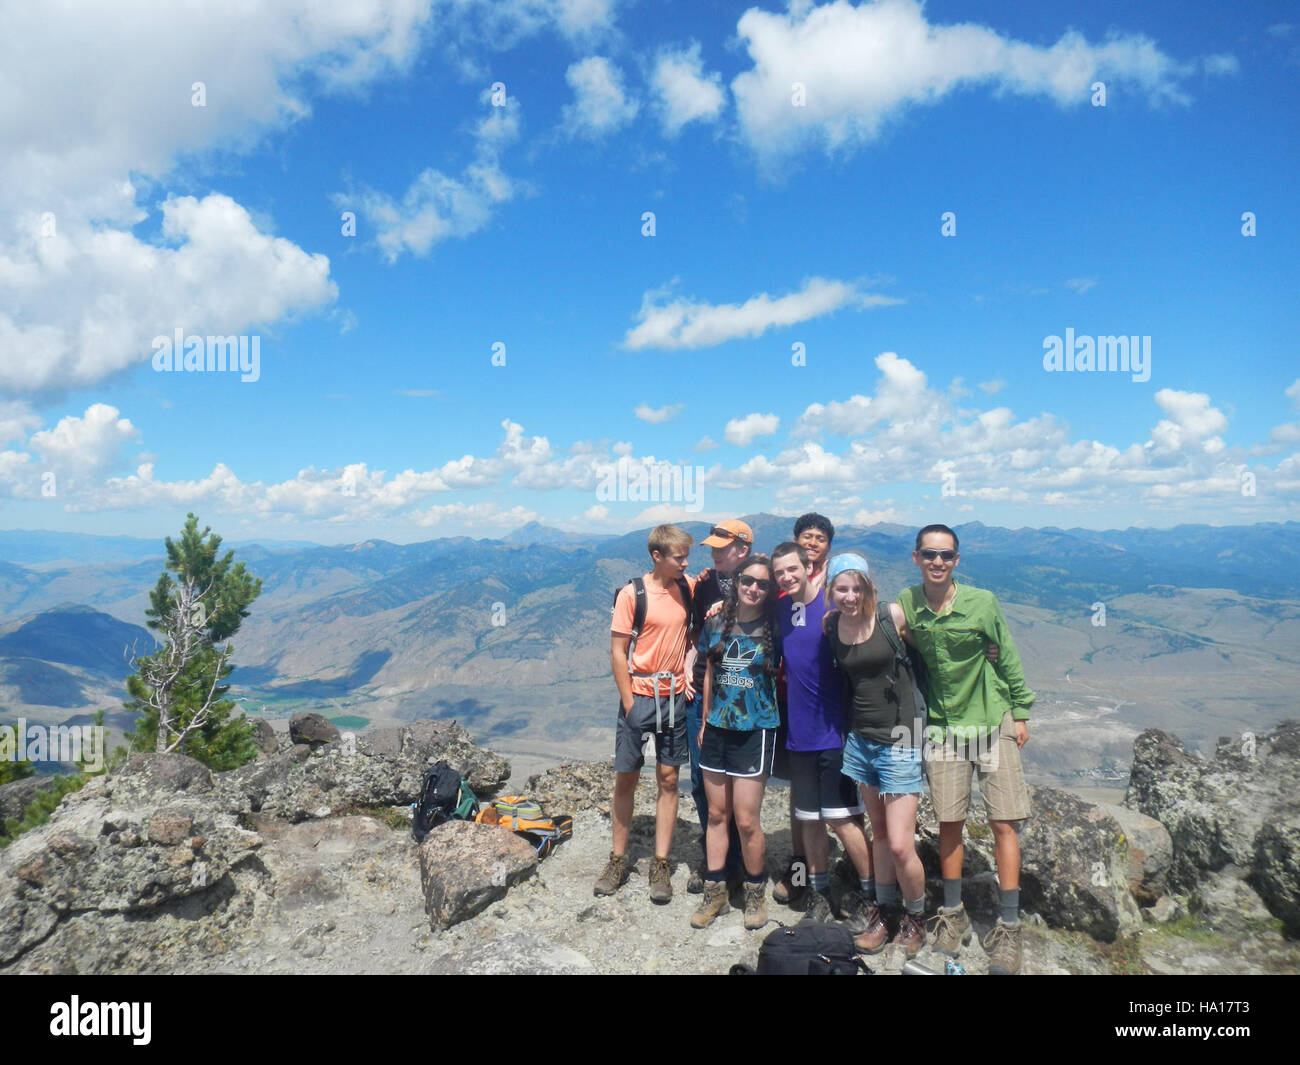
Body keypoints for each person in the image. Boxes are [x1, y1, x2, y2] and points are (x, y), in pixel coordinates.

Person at [898, 524, 1035, 975]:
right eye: (929, 554)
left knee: (1002, 823)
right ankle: (952, 916)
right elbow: (884, 625)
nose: (938, 562)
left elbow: (1007, 653)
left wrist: (1020, 711)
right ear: (916, 557)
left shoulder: (983, 603)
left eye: (946, 555)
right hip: (942, 726)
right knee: (949, 822)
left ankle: (1009, 927)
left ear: (957, 560)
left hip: (990, 719)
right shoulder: (909, 602)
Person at [823, 552, 928, 955]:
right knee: (880, 835)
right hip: (861, 739)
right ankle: (885, 915)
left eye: (857, 587)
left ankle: (916, 917)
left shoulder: (892, 617)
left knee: (901, 843)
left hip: (902, 736)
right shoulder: (831, 624)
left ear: (869, 587)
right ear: (831, 590)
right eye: (842, 588)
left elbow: (929, 656)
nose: (850, 596)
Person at [772, 542, 877, 932]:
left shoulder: (834, 612)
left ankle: (871, 898)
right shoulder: (782, 608)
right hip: (798, 736)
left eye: (792, 569)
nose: (786, 576)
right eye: (780, 571)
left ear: (807, 567)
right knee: (810, 821)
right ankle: (818, 894)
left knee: (844, 821)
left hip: (834, 735)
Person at [594, 524, 697, 904]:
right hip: (639, 695)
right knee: (627, 778)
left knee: (669, 779)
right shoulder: (631, 594)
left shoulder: (686, 587)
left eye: (686, 556)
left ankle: (660, 863)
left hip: (672, 697)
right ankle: (618, 860)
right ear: (657, 556)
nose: (685, 562)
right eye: (678, 557)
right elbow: (617, 651)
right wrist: (628, 701)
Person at [691, 554, 782, 931]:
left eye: (762, 584)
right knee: (716, 815)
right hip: (717, 728)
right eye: (748, 581)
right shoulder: (716, 622)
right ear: (738, 581)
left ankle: (754, 890)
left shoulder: (775, 628)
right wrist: (706, 715)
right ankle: (716, 892)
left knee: (746, 820)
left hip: (755, 730)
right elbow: (709, 670)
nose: (754, 589)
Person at [683, 520, 752, 893]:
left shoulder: (760, 581)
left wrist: (733, 603)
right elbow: (696, 631)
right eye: (712, 547)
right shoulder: (705, 583)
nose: (713, 553)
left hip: (740, 695)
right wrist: (686, 663)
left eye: (721, 547)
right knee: (701, 779)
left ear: (743, 548)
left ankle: (739, 862)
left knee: (738, 784)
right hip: (701, 687)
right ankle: (715, 859)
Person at [773, 512, 838, 907]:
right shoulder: (785, 586)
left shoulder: (836, 587)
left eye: (819, 537)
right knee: (800, 793)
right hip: (786, 700)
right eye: (805, 536)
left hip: (827, 705)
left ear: (829, 544)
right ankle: (801, 871)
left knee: (839, 797)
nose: (812, 542)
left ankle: (836, 868)